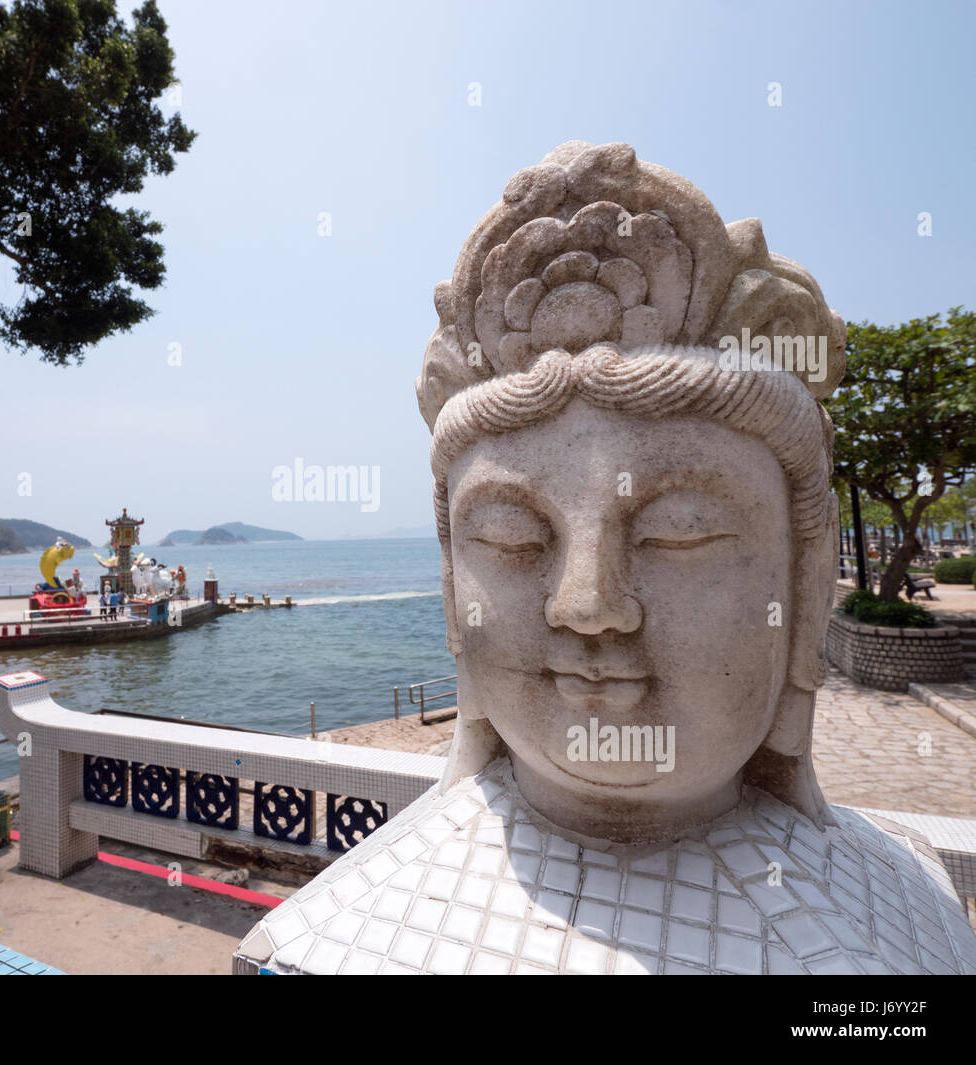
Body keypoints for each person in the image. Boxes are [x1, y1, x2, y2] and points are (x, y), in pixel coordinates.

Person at [235, 142, 976, 977]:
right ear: (452, 589)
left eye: (681, 532)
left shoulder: (905, 918)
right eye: (513, 540)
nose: (587, 604)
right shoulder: (328, 941)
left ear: (805, 587)